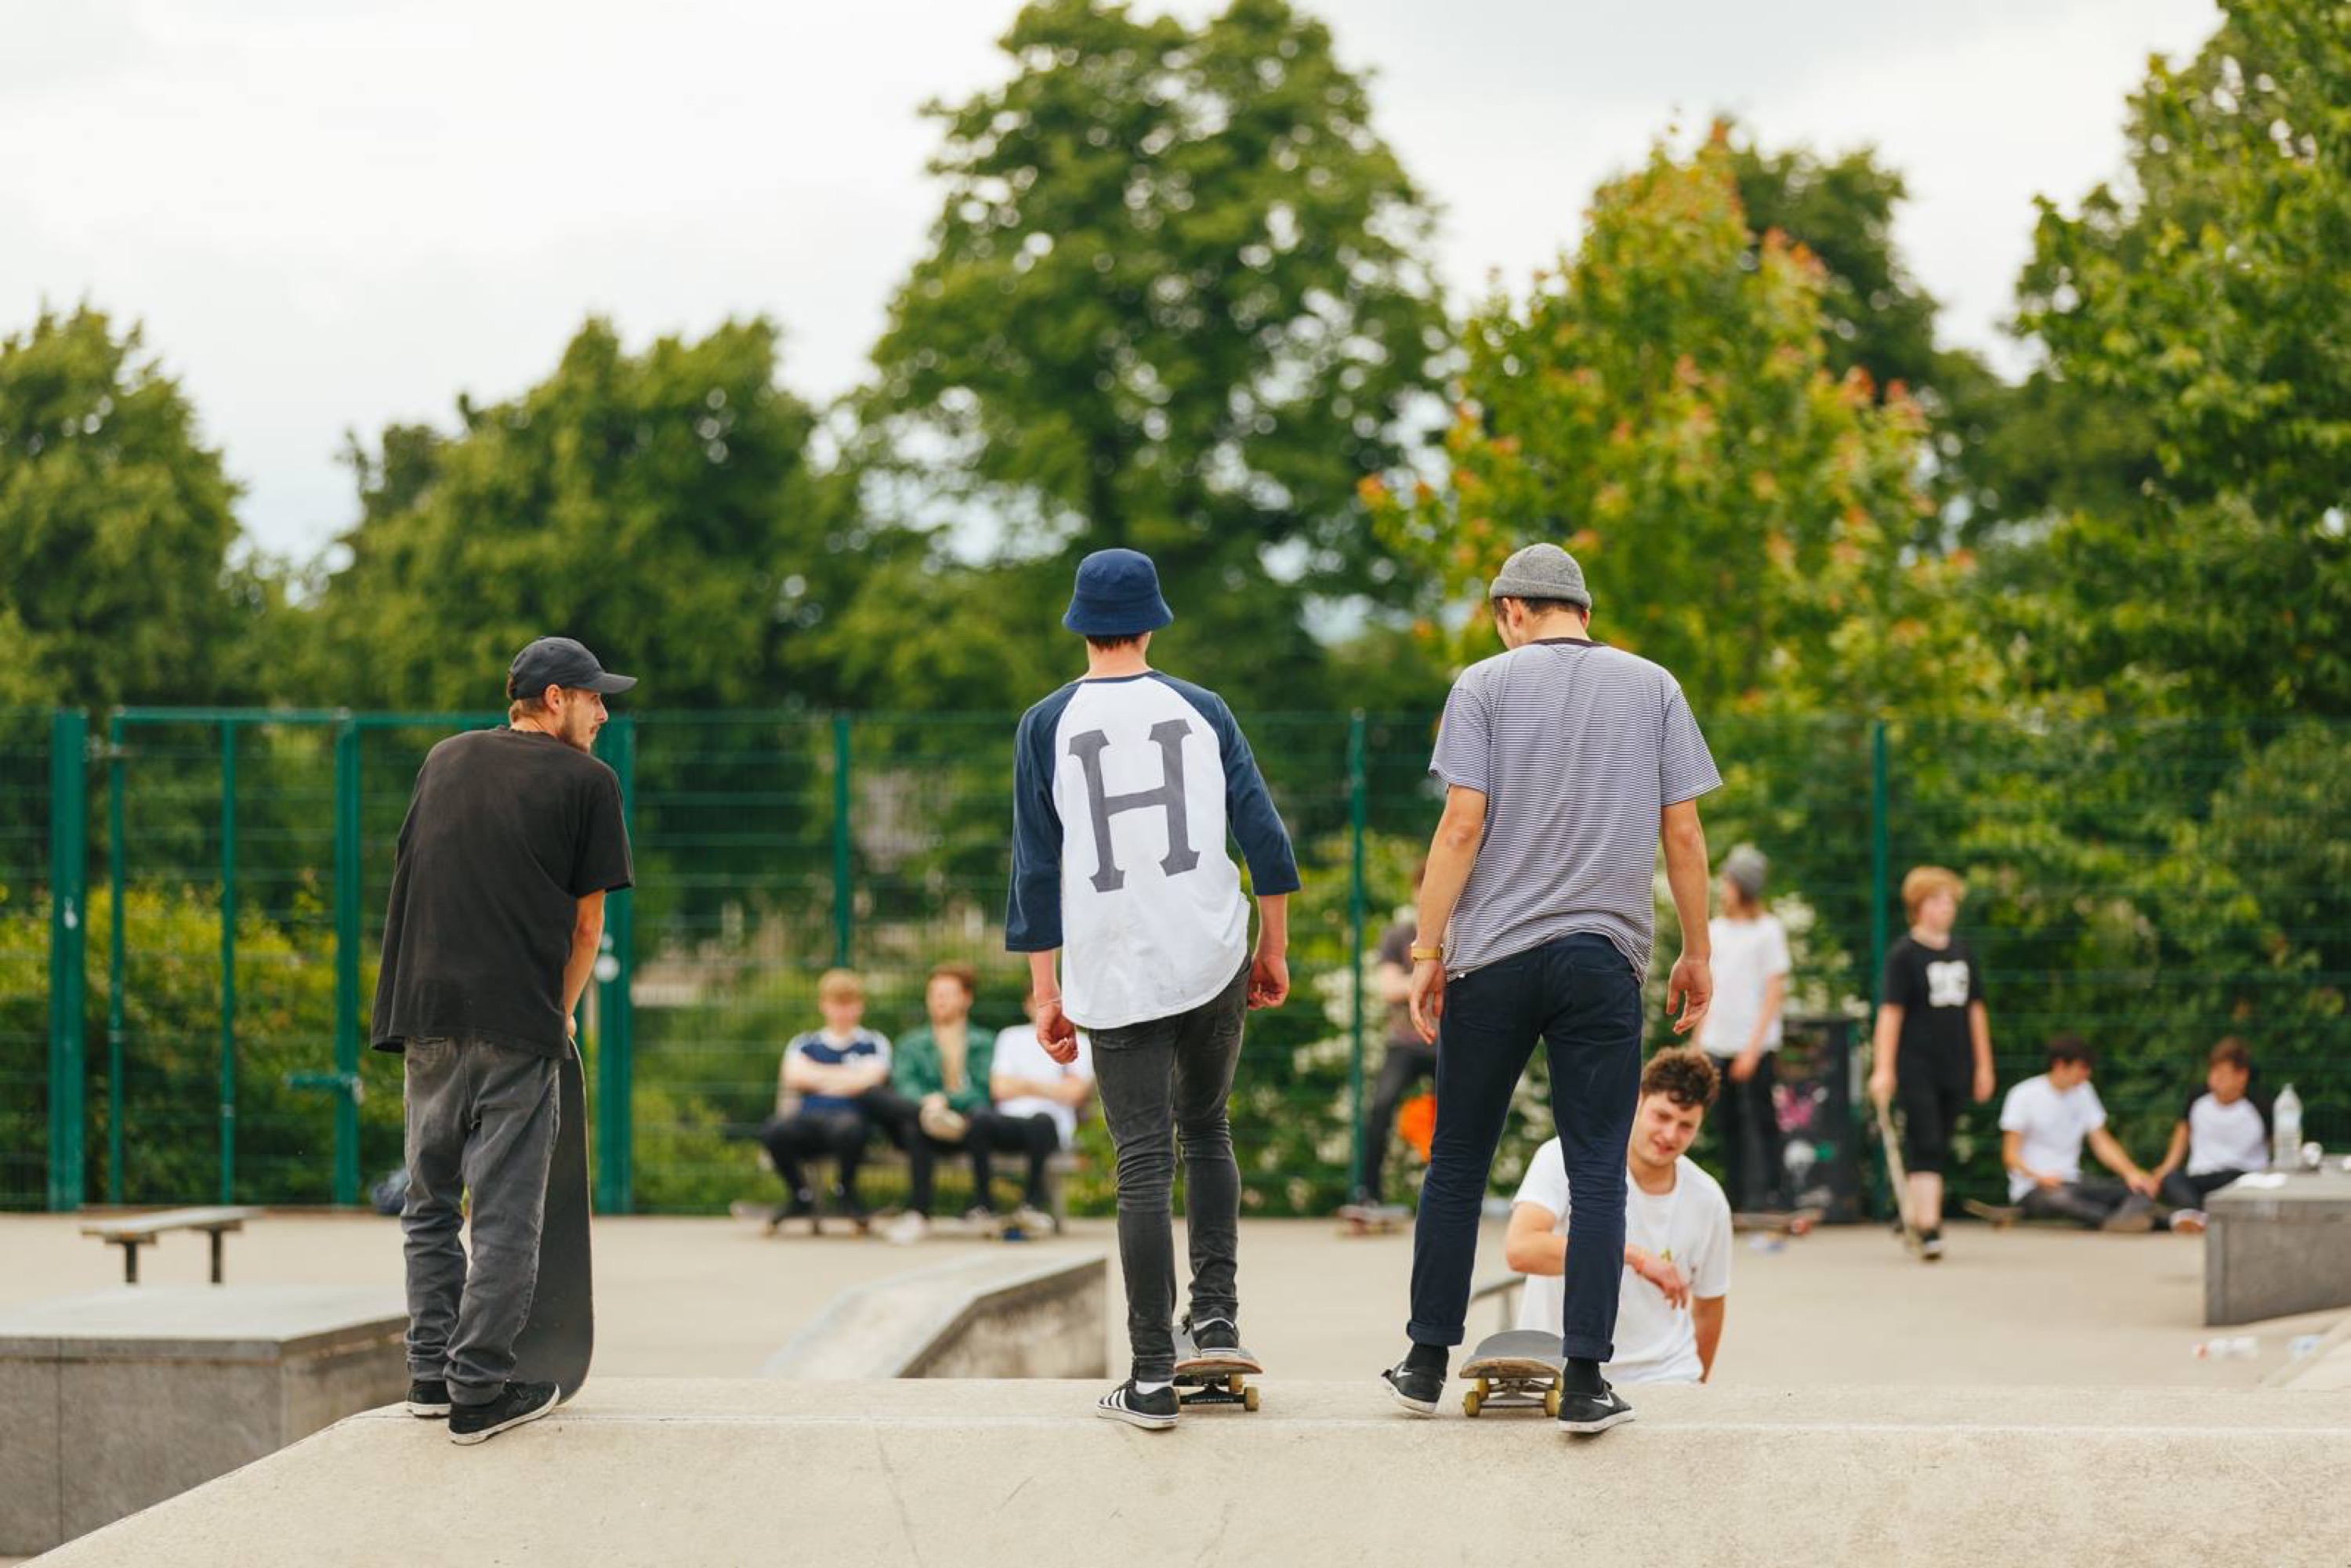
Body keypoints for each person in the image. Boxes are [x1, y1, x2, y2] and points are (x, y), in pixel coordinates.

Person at [1382, 541, 1720, 1437]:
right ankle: (1585, 1378)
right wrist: (1697, 951)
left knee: (1457, 1160)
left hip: (1491, 959)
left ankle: (1424, 1363)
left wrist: (1426, 950)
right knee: (1598, 1169)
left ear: (1510, 611)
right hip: (1602, 957)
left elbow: (1461, 825)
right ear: (1585, 612)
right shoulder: (1655, 687)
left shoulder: (1483, 685)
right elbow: (1682, 835)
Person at [1005, 547, 1298, 1430]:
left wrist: (1044, 992)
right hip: (1209, 956)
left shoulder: (1045, 723)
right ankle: (1215, 1315)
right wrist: (1271, 948)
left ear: (1082, 628)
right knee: (1207, 1129)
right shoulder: (1202, 709)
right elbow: (1268, 843)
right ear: (1152, 623)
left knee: (1140, 1161)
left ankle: (1151, 1376)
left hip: (1112, 968)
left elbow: (1035, 869)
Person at [372, 635, 636, 1446]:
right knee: (507, 1212)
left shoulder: (444, 760)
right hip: (515, 1019)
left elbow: (417, 867)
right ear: (555, 699)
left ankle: (428, 1374)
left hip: (424, 1012)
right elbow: (588, 925)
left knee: (429, 1199)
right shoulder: (590, 782)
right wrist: (557, 1011)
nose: (603, 715)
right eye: (595, 699)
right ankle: (479, 1391)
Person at [1505, 1049, 1732, 1385]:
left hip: (1665, 1373)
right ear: (1637, 1102)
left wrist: (1694, 1393)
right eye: (1662, 1116)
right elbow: (1521, 1250)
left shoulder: (1709, 1199)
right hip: (1560, 1369)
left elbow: (1709, 1307)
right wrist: (1634, 1257)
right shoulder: (1563, 1157)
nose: (1670, 1135)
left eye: (1685, 1126)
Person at [1866, 865, 1994, 1262]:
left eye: (1950, 902)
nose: (1947, 908)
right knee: (1926, 1139)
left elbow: (1976, 1010)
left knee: (1941, 1139)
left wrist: (1983, 1065)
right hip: (1916, 1062)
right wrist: (1883, 1068)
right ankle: (1928, 1226)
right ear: (1920, 905)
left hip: (1954, 1062)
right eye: (1939, 901)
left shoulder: (1962, 952)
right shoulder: (1904, 956)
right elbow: (1890, 1014)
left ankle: (1915, 1211)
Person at [759, 969, 900, 1226]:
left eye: (850, 1004)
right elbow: (794, 1077)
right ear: (824, 1005)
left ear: (860, 1005)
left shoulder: (874, 1042)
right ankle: (800, 1196)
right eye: (837, 1004)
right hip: (810, 1123)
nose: (843, 1011)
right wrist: (849, 1077)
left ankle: (845, 1192)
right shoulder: (803, 1043)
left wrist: (818, 1077)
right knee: (774, 1130)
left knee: (849, 1129)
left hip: (849, 1124)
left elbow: (870, 1080)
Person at [1696, 846, 1791, 1214]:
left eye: (1729, 882)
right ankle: (1734, 1200)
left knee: (1763, 1120)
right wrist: (1698, 1042)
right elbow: (1707, 988)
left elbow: (1773, 992)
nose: (1723, 888)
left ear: (1744, 888)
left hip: (1755, 1045)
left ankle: (1771, 1195)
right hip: (1718, 1042)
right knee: (1728, 1123)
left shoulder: (1768, 932)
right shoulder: (1715, 931)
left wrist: (1753, 1048)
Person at [1999, 1035, 2169, 1231]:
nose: (2087, 1074)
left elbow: (2102, 1141)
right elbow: (2010, 1156)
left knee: (2139, 1191)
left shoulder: (2084, 1091)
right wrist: (2038, 1177)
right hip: (2034, 1188)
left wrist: (2131, 1172)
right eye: (2082, 1067)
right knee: (2060, 1199)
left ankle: (2125, 1219)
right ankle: (2129, 1219)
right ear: (2060, 1065)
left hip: (2074, 1181)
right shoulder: (2023, 1094)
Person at [879, 963, 998, 1243]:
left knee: (981, 1117)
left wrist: (947, 1101)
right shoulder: (911, 1043)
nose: (938, 1000)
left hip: (967, 1124)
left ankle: (984, 1207)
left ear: (966, 999)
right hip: (925, 1122)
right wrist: (928, 1105)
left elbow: (984, 1088)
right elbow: (904, 1083)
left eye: (947, 993)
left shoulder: (984, 1041)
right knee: (910, 1124)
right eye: (933, 994)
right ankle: (919, 1215)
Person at [984, 988, 1098, 1233]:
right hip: (1010, 1122)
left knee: (1041, 1122)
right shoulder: (1010, 1037)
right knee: (979, 1120)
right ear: (1027, 1005)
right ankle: (983, 1206)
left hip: (1050, 1126)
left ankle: (1032, 1204)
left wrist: (1023, 1085)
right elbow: (999, 1088)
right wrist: (1052, 1088)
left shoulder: (1081, 1043)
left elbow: (1075, 1093)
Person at [1356, 860, 1435, 1207]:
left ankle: (1452, 1196)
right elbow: (1388, 988)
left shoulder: (1462, 931)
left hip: (1448, 1043)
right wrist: (1428, 980)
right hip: (1404, 1042)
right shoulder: (1399, 936)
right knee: (1380, 1107)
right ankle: (1368, 1194)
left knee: (1458, 1116)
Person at [2150, 1038, 2271, 1228]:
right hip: (2201, 1179)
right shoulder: (2197, 1097)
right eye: (2213, 1071)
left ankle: (2189, 1216)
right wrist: (2165, 1168)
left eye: (2223, 1074)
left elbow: (2276, 1143)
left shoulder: (2259, 1105)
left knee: (2243, 1182)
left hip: (2240, 1178)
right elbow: (2183, 1133)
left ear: (2242, 1076)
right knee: (2173, 1179)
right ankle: (2199, 1216)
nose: (2215, 1078)